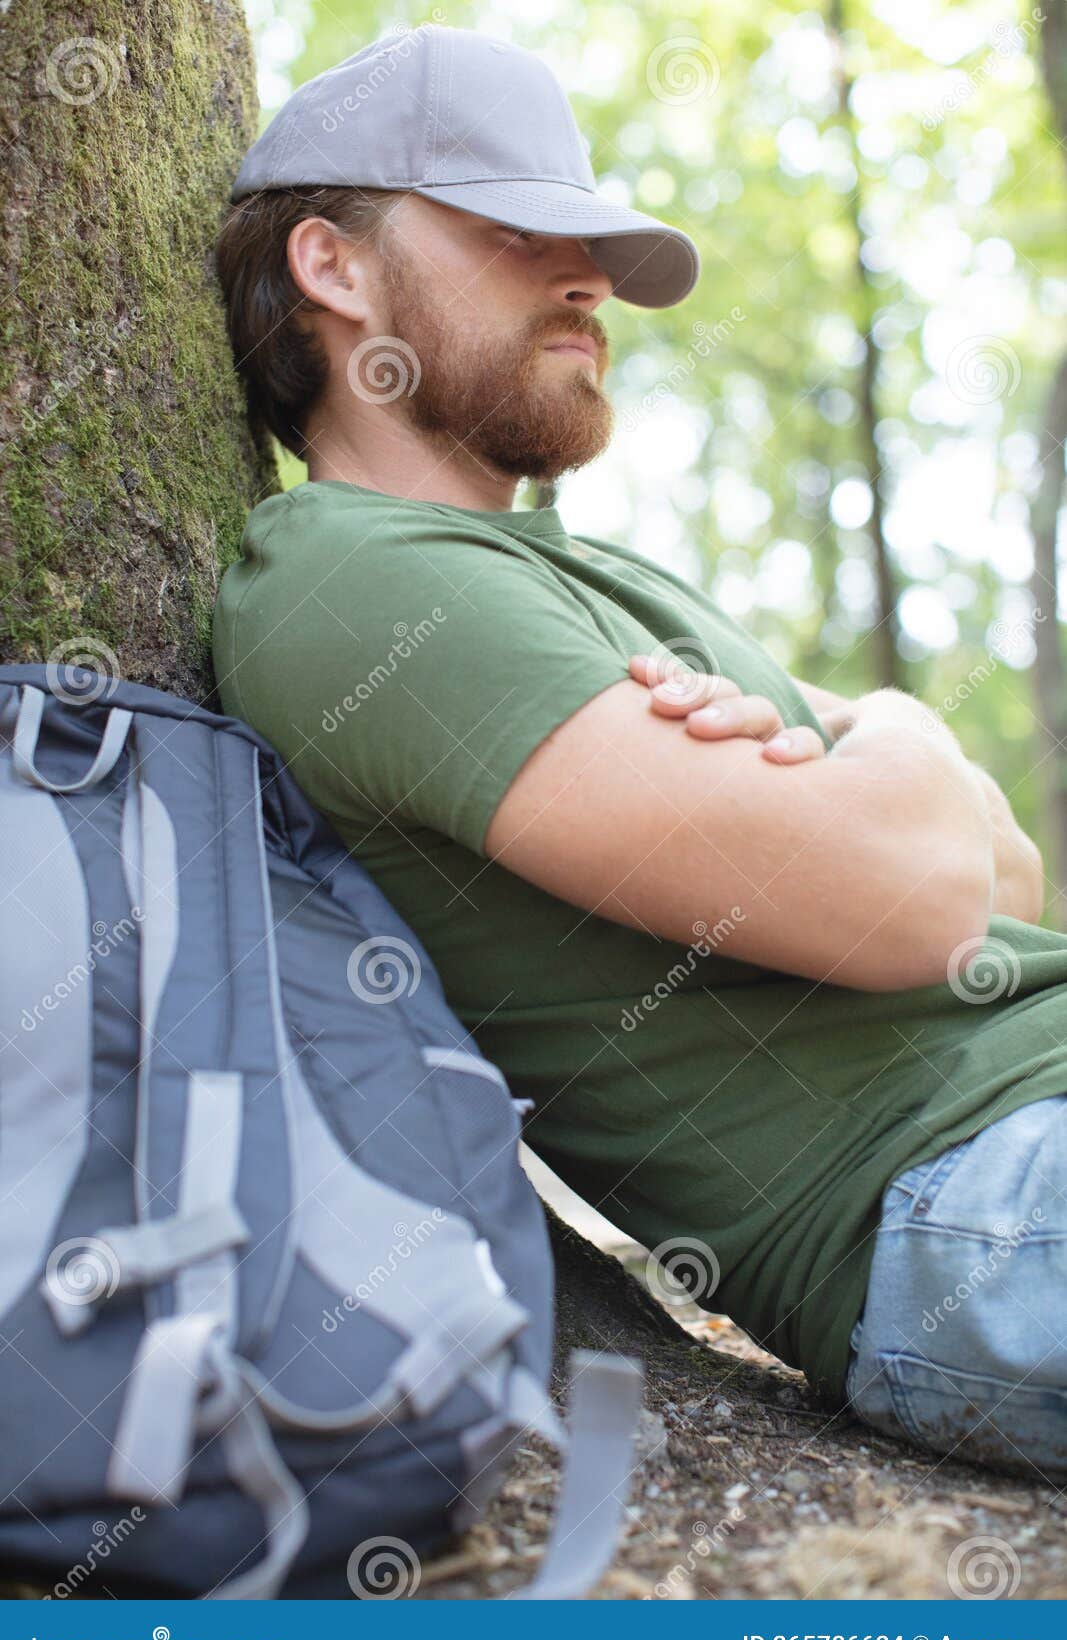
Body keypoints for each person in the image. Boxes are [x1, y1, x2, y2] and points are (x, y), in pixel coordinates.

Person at [212, 25, 1067, 1481]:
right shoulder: (353, 584)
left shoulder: (567, 576)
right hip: (968, 1209)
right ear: (333, 267)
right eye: (518, 227)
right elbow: (919, 894)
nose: (587, 278)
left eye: (593, 240)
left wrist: (889, 757)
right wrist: (886, 738)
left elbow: (1007, 865)